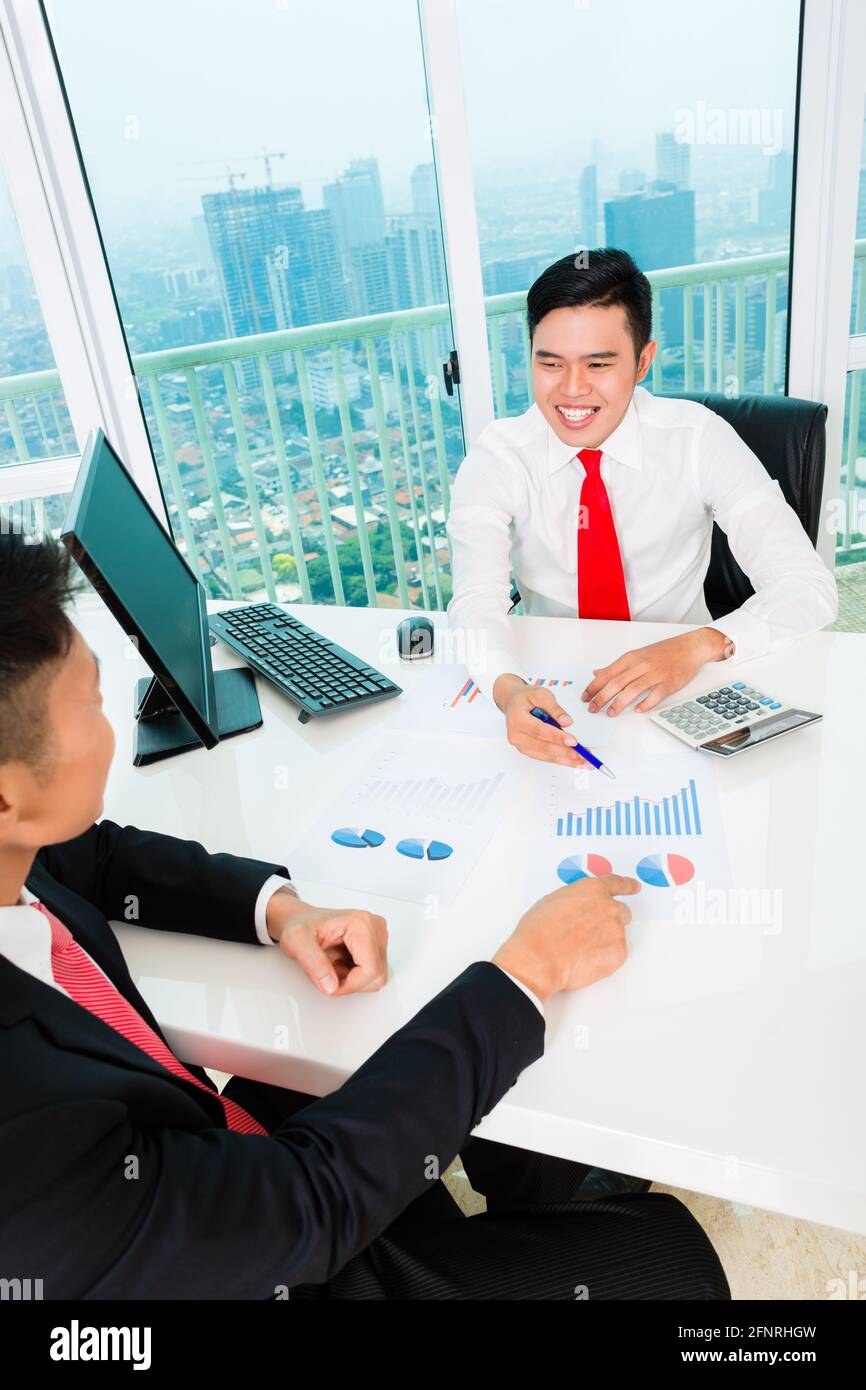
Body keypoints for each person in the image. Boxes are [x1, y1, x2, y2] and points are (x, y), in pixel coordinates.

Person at [0, 534, 729, 1300]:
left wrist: (279, 911)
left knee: (383, 1018)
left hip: (190, 1155)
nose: (111, 717)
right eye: (90, 699)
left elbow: (101, 860)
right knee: (669, 1266)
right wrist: (526, 972)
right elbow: (300, 1209)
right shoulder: (23, 1141)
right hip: (273, 1251)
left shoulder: (19, 842)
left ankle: (539, 1196)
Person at [446, 248, 838, 768]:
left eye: (599, 364)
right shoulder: (498, 455)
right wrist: (506, 688)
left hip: (684, 685)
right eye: (551, 364)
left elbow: (808, 587)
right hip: (550, 690)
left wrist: (701, 644)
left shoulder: (697, 438)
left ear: (643, 360)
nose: (571, 390)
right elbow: (476, 599)